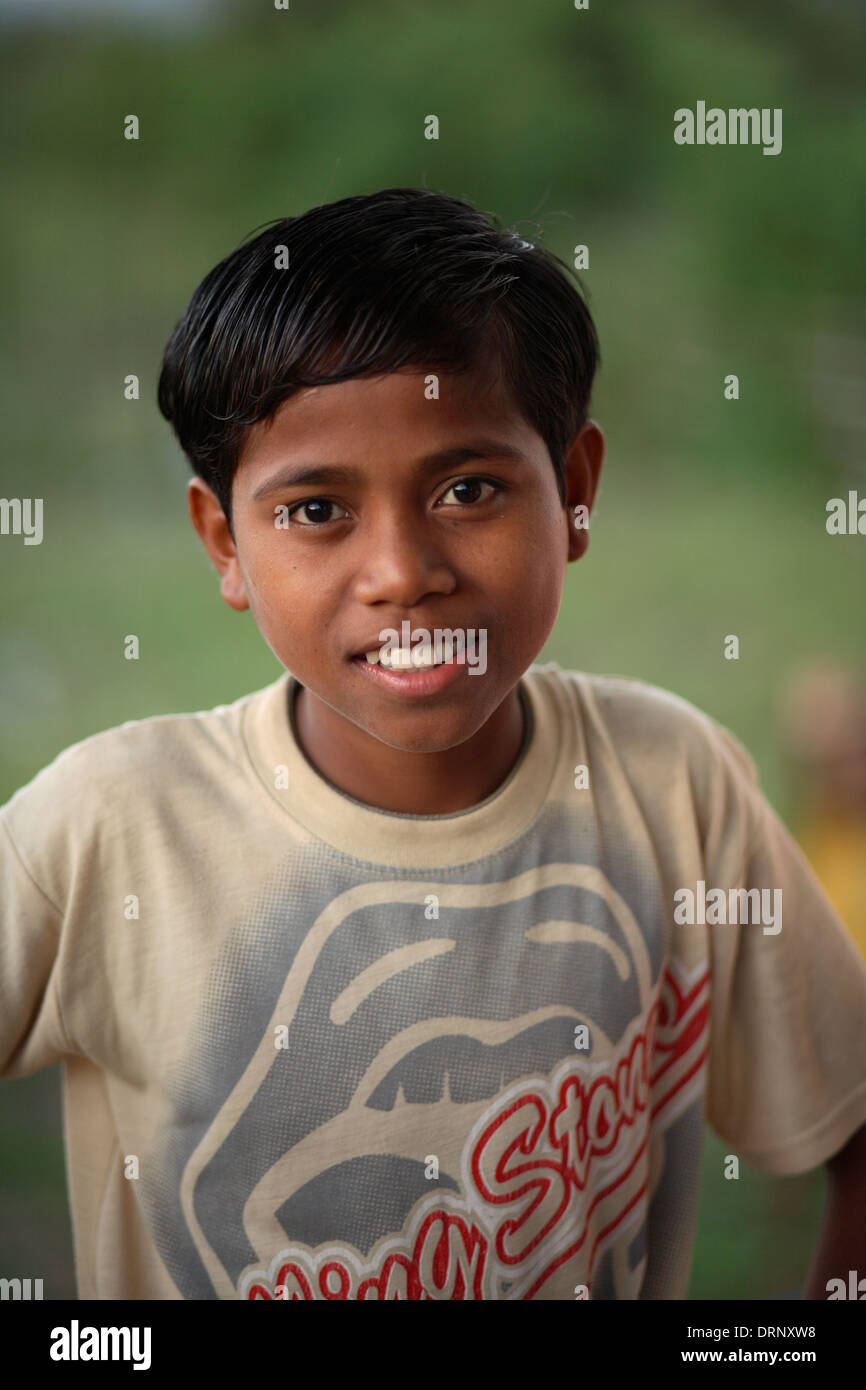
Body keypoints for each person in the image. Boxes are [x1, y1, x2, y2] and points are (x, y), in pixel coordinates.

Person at [2, 187, 864, 1301]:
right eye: (316, 509)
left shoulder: (673, 784)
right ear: (223, 542)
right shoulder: (107, 827)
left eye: (467, 488)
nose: (403, 570)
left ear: (576, 490)